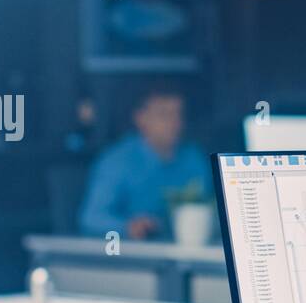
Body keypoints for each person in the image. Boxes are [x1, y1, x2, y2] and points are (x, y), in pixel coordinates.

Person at [78, 82, 209, 240]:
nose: (175, 122)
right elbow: (91, 219)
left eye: (178, 114)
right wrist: (128, 227)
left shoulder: (194, 158)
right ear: (141, 119)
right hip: (134, 255)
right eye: (164, 115)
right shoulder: (116, 162)